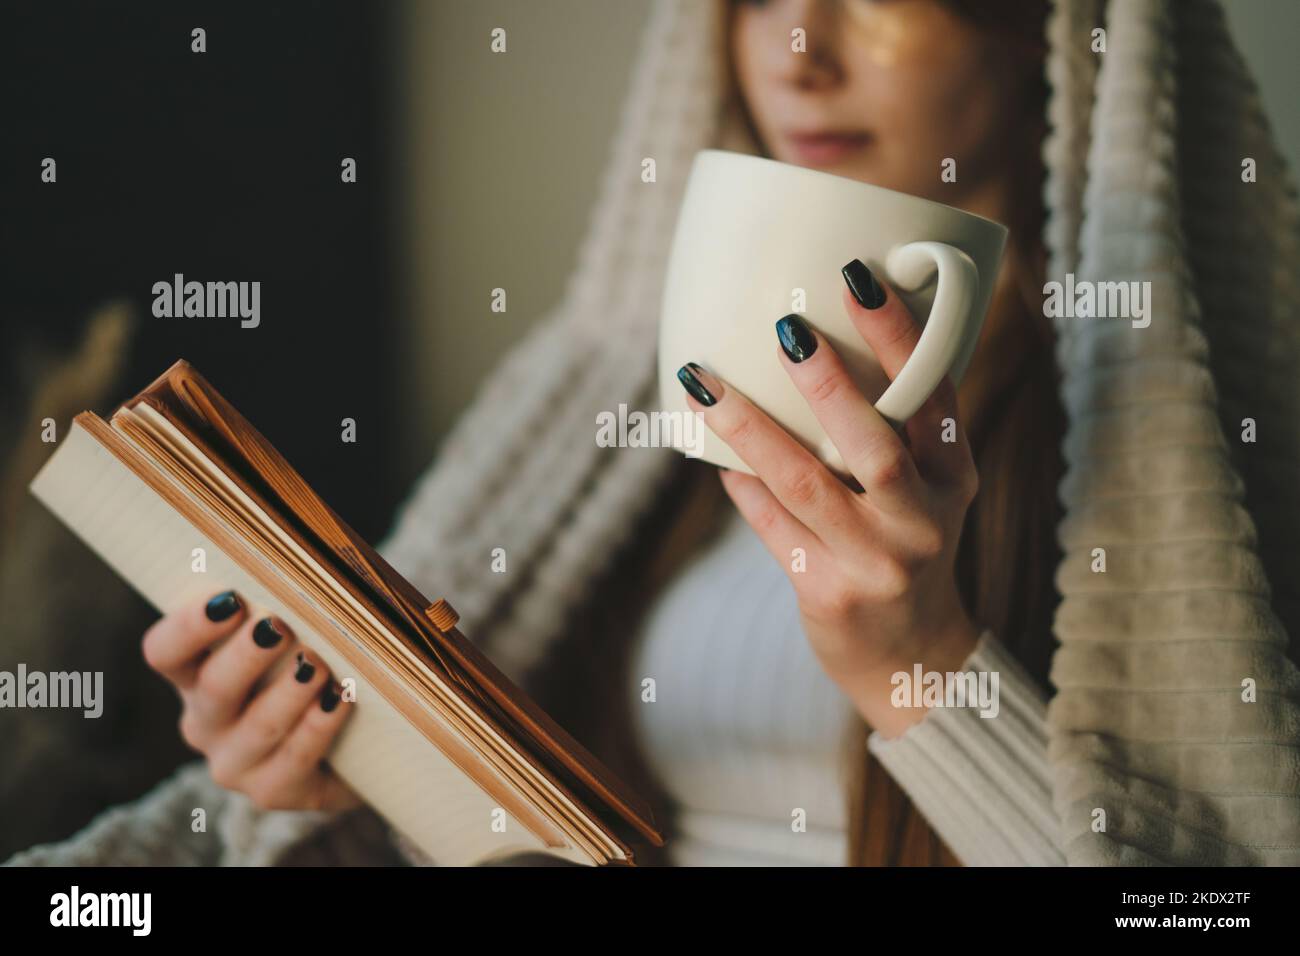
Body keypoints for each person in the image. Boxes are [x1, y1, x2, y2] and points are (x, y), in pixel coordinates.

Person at [8, 0, 1300, 867]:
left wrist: (921, 669)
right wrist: (333, 778)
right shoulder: (610, 425)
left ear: (1045, 31)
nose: (797, 50)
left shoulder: (1187, 433)